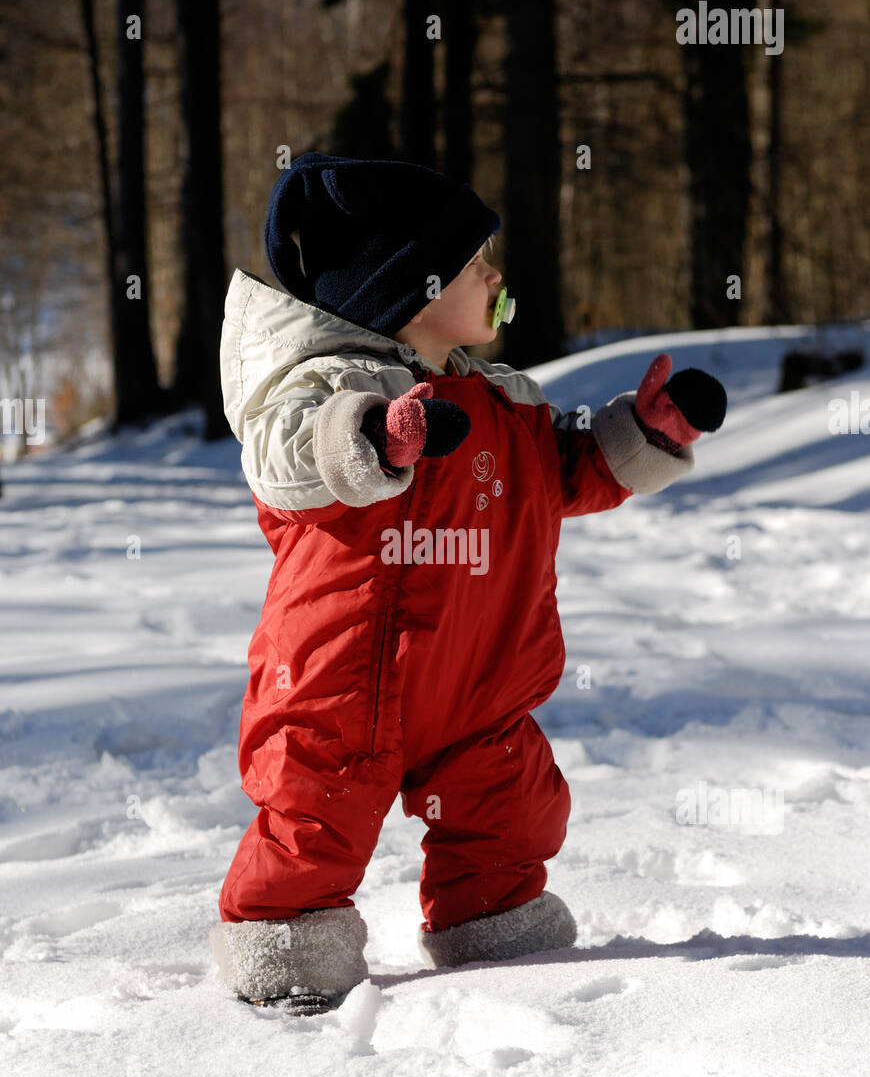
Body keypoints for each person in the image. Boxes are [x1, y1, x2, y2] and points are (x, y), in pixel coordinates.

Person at [209, 151, 726, 1012]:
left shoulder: (503, 402)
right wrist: (370, 437)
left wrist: (639, 435)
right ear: (415, 289)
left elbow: (565, 471)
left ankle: (495, 930)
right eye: (477, 264)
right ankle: (286, 946)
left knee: (515, 817)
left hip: (479, 692)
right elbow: (287, 461)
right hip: (346, 683)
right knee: (314, 819)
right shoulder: (322, 391)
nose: (496, 275)